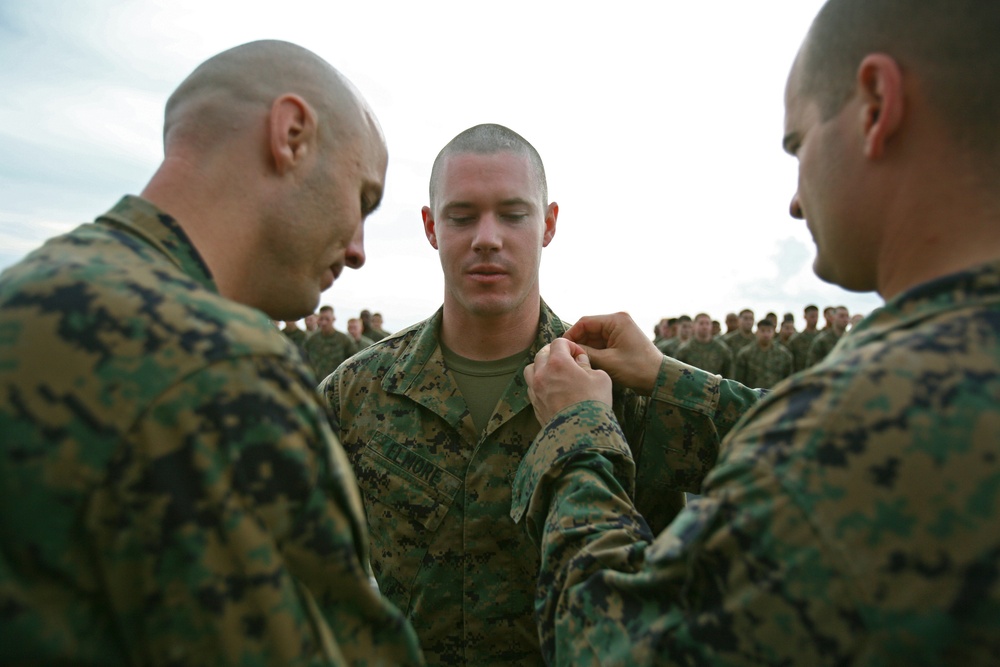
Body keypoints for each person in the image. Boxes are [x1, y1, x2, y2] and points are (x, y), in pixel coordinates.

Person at [513, 0, 1000, 663]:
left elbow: (613, 645)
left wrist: (577, 436)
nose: (795, 201)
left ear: (876, 106)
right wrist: (666, 379)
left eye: (799, 145)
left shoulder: (846, 425)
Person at [0, 40, 423, 665]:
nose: (359, 249)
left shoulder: (25, 295)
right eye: (362, 199)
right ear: (292, 135)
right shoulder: (224, 370)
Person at [319, 123, 706, 666]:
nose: (487, 238)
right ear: (431, 227)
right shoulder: (357, 392)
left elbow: (663, 583)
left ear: (548, 224)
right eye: (461, 216)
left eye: (513, 214)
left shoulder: (613, 390)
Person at [734, 319, 794, 388]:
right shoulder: (745, 354)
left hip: (776, 393)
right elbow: (739, 380)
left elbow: (788, 380)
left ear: (774, 333)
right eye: (762, 331)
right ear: (756, 332)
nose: (766, 334)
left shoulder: (784, 355)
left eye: (769, 331)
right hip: (752, 393)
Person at [304, 305, 357, 379]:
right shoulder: (311, 340)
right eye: (321, 319)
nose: (324, 322)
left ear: (333, 319)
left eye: (327, 319)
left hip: (337, 382)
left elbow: (354, 364)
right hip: (315, 382)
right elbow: (304, 361)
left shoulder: (344, 340)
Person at [674, 312, 733, 378]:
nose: (705, 327)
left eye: (707, 323)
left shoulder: (722, 349)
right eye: (701, 323)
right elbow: (677, 374)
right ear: (694, 326)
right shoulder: (684, 350)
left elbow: (729, 375)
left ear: (711, 326)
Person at [787, 303, 821, 371]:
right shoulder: (795, 340)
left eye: (816, 316)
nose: (815, 319)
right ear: (805, 317)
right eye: (812, 316)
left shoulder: (822, 339)